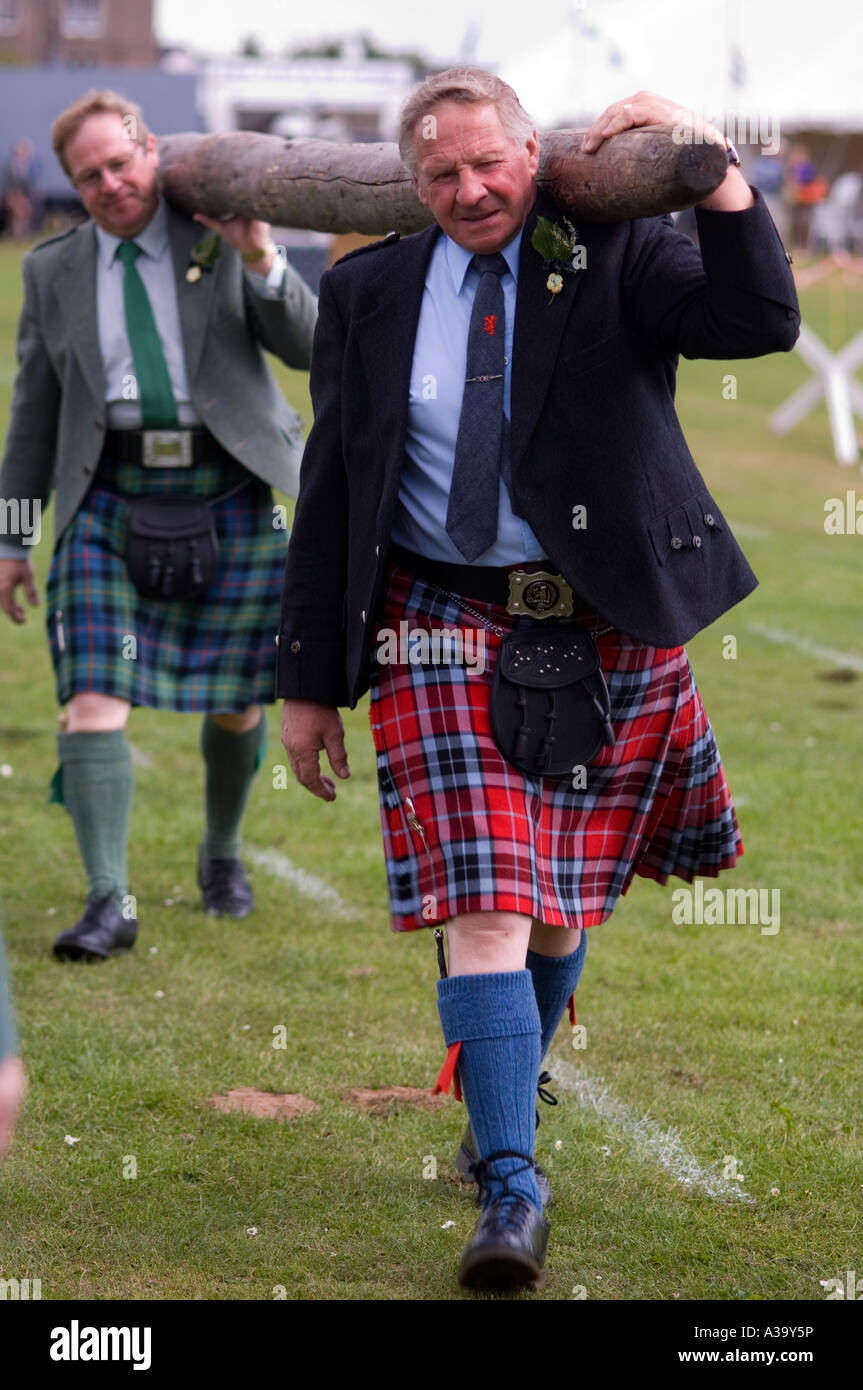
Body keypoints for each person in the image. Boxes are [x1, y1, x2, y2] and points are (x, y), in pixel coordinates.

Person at [277, 68, 800, 1291]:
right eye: (439, 175)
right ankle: (511, 1184)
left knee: (559, 908)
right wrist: (307, 679)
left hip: (605, 624)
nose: (468, 191)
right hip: (438, 626)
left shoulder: (612, 255)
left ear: (531, 152)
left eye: (486, 164)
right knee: (489, 907)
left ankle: (497, 1098)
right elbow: (334, 488)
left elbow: (758, 319)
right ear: (410, 186)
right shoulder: (363, 291)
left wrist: (712, 168)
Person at [0, 90, 317, 961]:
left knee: (239, 702)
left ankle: (221, 855)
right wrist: (10, 537)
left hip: (229, 489)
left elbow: (306, 346)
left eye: (119, 162)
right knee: (91, 698)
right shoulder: (52, 270)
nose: (109, 184)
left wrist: (260, 257)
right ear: (72, 185)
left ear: (150, 151)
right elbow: (33, 412)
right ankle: (110, 899)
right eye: (87, 175)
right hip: (108, 498)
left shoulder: (216, 236)